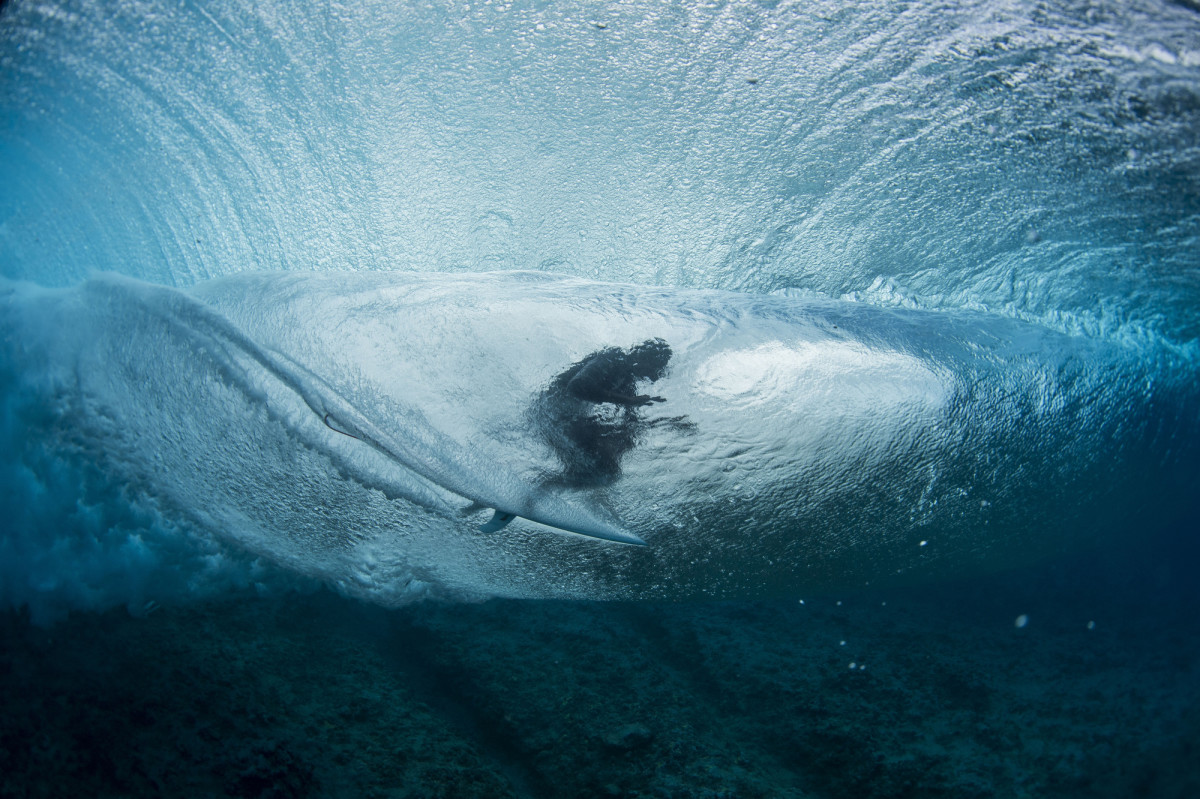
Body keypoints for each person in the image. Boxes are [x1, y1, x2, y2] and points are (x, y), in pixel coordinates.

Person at [533, 339, 686, 486]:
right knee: (605, 471)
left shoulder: (628, 381)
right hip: (550, 412)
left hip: (565, 417)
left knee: (609, 467)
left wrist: (668, 421)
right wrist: (629, 400)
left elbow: (631, 425)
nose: (655, 374)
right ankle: (541, 487)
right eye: (657, 366)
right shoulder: (614, 357)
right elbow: (577, 386)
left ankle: (548, 488)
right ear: (645, 357)